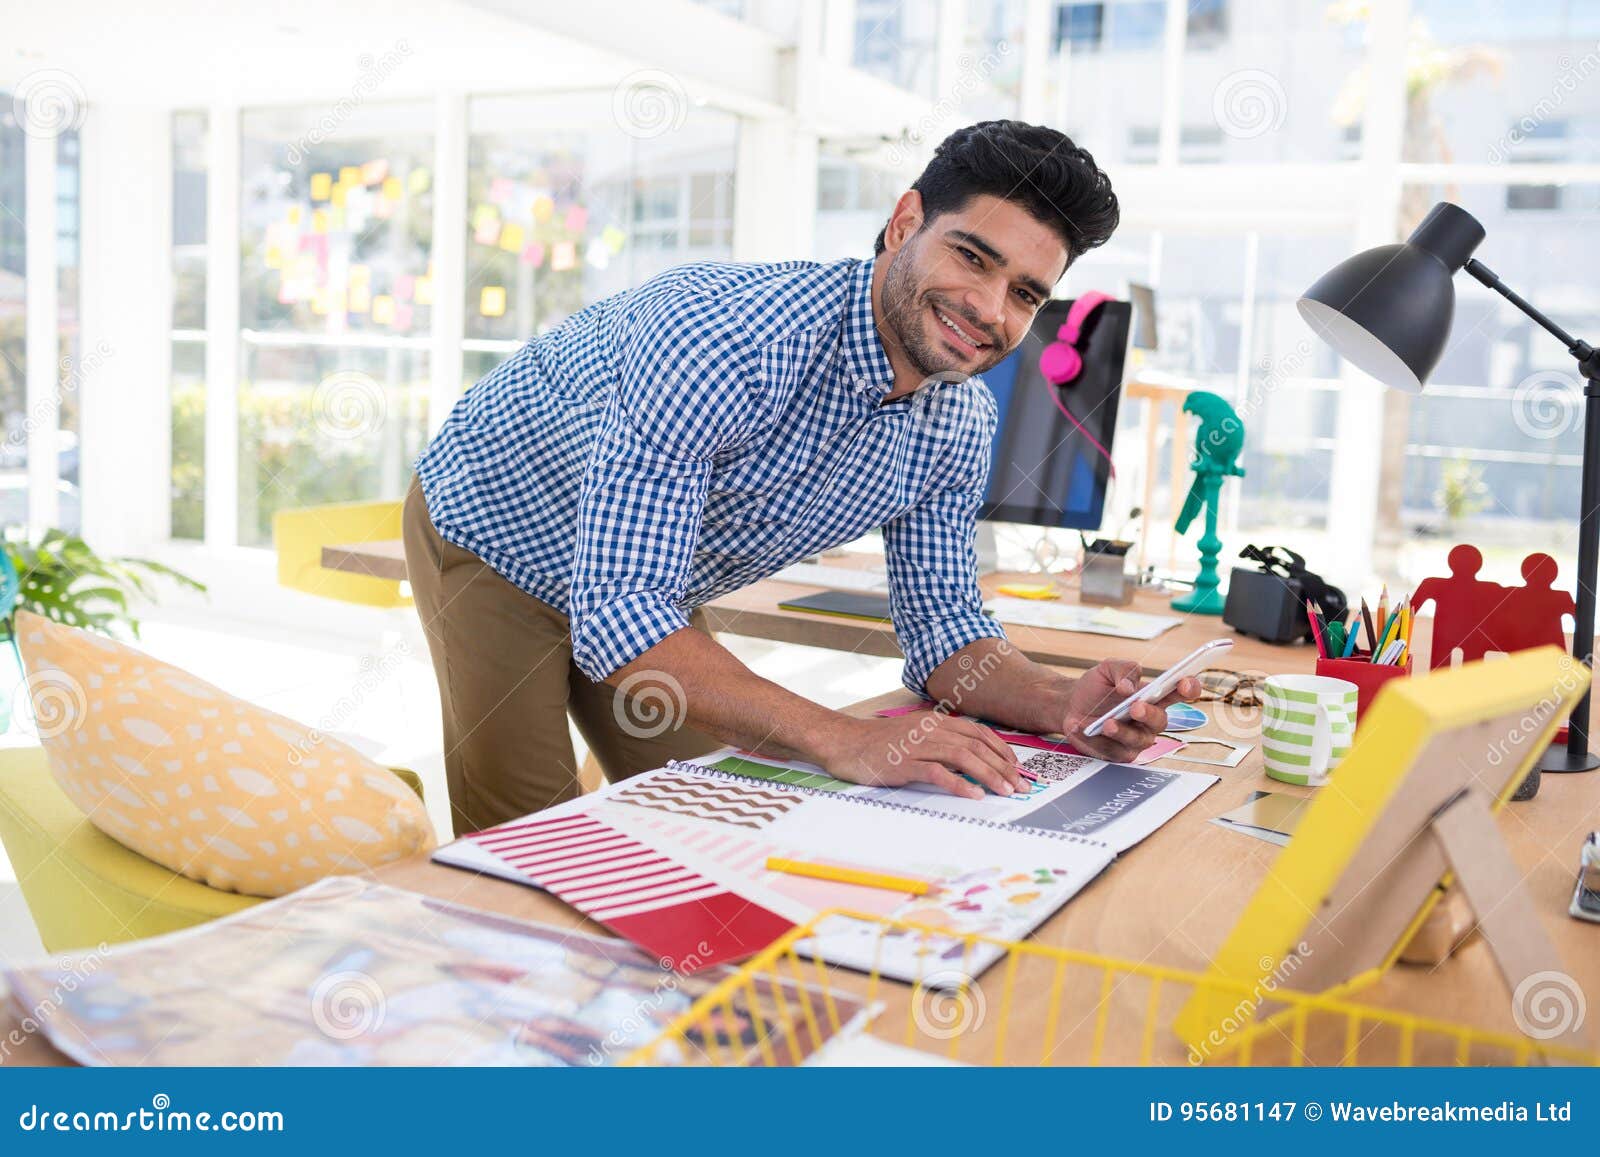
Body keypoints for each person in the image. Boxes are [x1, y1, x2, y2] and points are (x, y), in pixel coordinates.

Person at [406, 120, 1200, 836]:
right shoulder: (726, 342)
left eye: (1025, 293)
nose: (991, 309)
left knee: (713, 824)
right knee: (538, 851)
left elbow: (947, 633)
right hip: (501, 526)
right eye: (972, 256)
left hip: (641, 584)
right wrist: (846, 737)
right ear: (904, 223)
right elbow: (619, 617)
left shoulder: (959, 420)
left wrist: (1062, 703)